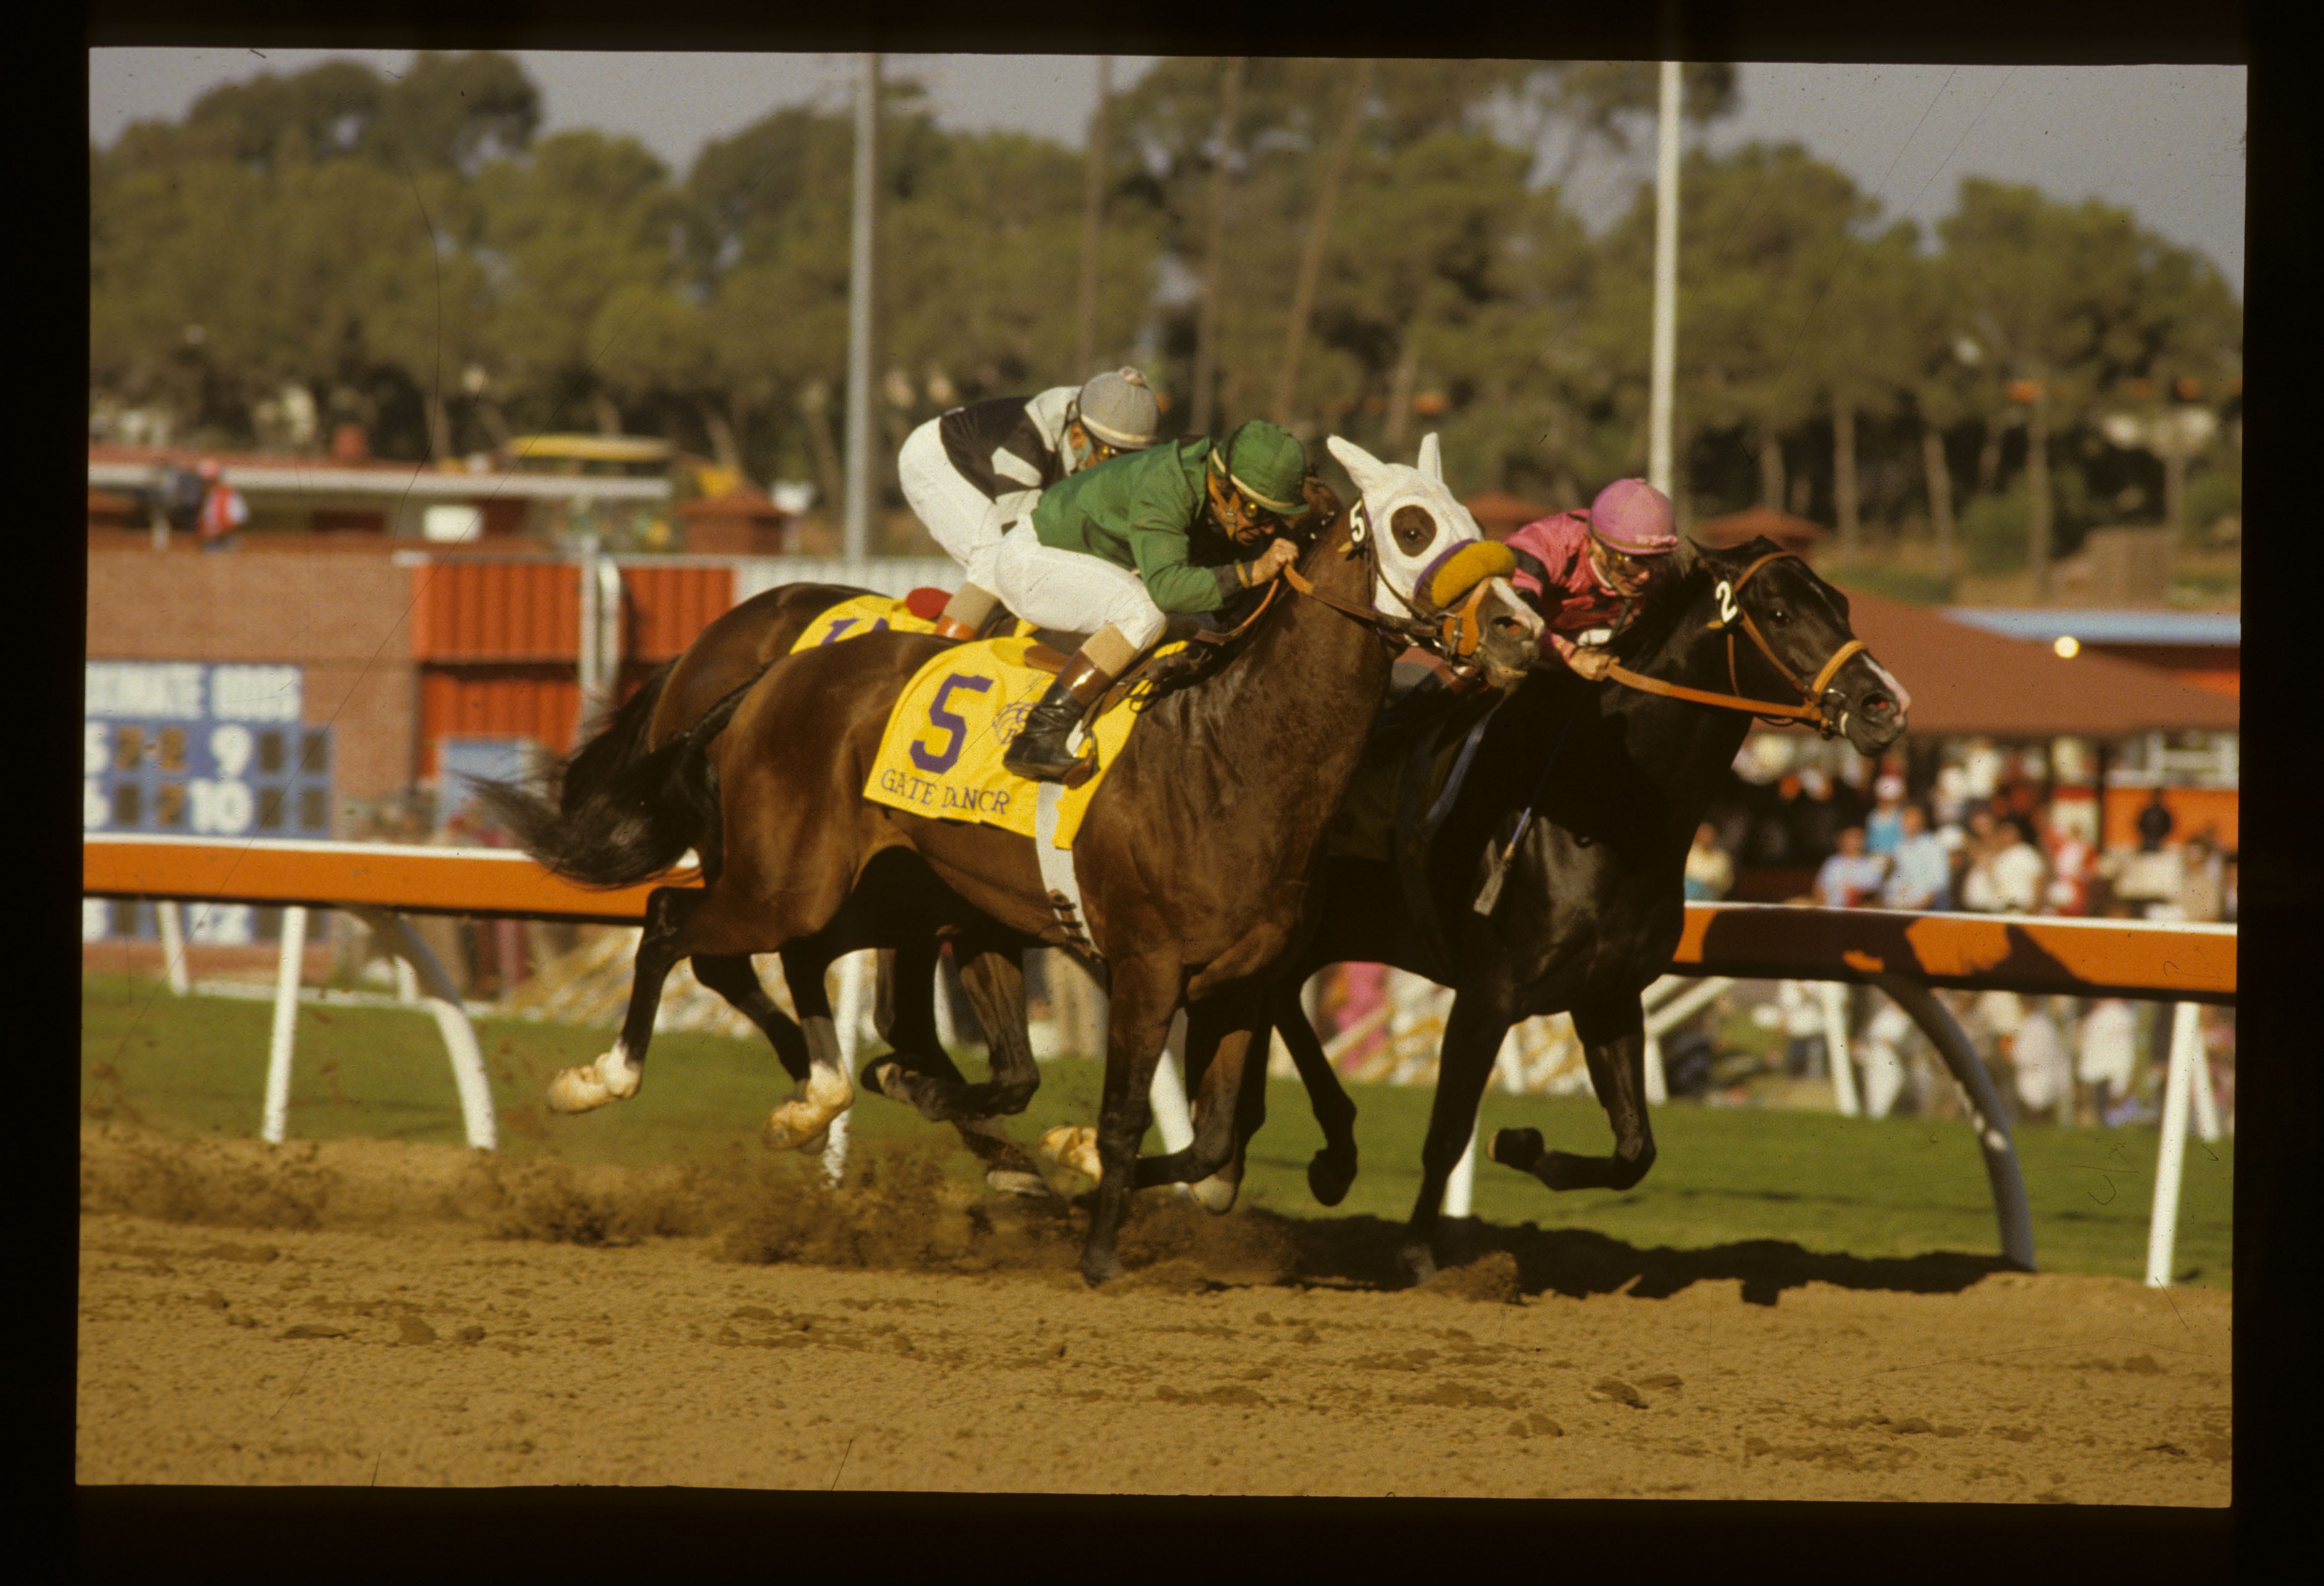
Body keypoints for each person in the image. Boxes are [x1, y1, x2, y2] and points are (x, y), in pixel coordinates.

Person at [996, 418, 1310, 781]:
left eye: (1276, 516)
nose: (1268, 528)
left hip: (1096, 563)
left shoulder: (1213, 488)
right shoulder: (1166, 486)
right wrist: (1252, 572)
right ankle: (1038, 734)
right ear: (1222, 485)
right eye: (1256, 512)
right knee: (1145, 612)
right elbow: (1167, 589)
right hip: (1032, 561)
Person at [899, 368, 1164, 640]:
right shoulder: (1028, 437)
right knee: (1000, 560)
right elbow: (1020, 547)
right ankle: (939, 654)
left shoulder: (1097, 428)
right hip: (939, 458)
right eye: (1112, 455)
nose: (1122, 470)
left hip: (993, 468)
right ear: (1078, 437)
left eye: (1135, 459)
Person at [1501, 479, 1681, 679]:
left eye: (1656, 560)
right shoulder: (1544, 546)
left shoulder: (1660, 574)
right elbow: (1509, 619)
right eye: (1631, 561)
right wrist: (1572, 655)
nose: (1645, 576)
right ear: (1595, 544)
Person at [1880, 803, 1953, 911]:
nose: (1910, 822)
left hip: (1929, 904)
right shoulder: (1899, 847)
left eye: (1913, 817)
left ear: (1922, 821)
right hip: (1906, 902)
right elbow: (1896, 880)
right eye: (1906, 817)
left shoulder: (1933, 844)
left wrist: (1916, 907)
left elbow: (1939, 884)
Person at [1814, 825, 1888, 909]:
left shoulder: (1872, 864)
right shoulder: (1832, 863)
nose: (1852, 842)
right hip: (1832, 911)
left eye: (1857, 837)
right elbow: (1819, 890)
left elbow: (1876, 895)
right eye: (1849, 837)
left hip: (1859, 912)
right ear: (1840, 840)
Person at [194, 458, 247, 551]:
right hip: (208, 540)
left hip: (224, 539)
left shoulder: (226, 494)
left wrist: (218, 531)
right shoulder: (207, 496)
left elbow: (238, 518)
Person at [1683, 821, 1733, 901]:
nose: (1706, 837)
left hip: (1711, 894)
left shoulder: (1722, 858)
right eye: (1703, 834)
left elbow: (1728, 882)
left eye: (1709, 835)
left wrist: (1715, 883)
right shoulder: (1689, 854)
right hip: (1690, 892)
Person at [1865, 774, 1907, 857]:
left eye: (1890, 801)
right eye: (1883, 800)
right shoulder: (1872, 816)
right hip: (1874, 857)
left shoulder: (1902, 815)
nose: (1886, 803)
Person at [2135, 786, 2175, 853]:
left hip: (2159, 840)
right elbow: (2139, 824)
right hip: (2146, 839)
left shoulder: (2164, 812)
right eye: (2155, 796)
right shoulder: (2147, 811)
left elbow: (2169, 826)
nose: (2157, 798)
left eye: (2159, 796)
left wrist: (2162, 837)